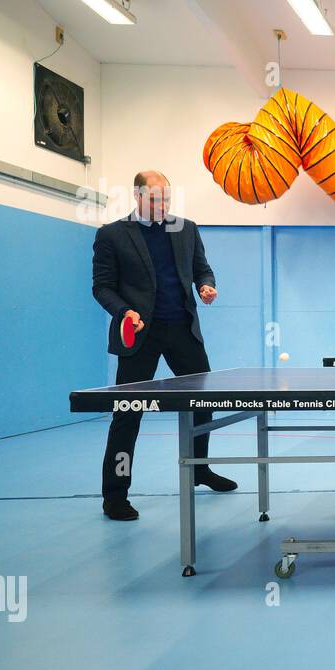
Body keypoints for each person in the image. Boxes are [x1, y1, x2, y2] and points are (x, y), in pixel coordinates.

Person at [92, 171, 238, 520]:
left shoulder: (185, 228)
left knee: (204, 404)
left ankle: (199, 470)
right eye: (155, 200)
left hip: (182, 331)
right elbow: (102, 287)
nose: (162, 206)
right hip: (140, 334)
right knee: (127, 414)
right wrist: (125, 311)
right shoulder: (112, 234)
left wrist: (206, 286)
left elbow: (202, 269)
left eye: (166, 199)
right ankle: (115, 495)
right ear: (137, 196)